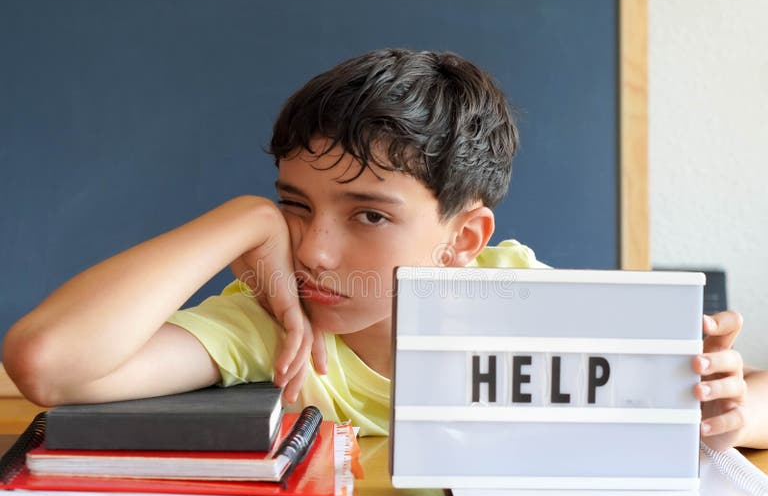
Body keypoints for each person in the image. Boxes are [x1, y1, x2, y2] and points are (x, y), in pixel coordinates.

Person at [3, 49, 767, 448]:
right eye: (292, 208)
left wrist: (723, 408)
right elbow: (46, 361)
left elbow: (743, 397)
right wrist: (239, 221)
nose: (315, 254)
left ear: (464, 240)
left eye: (368, 216)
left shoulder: (517, 297)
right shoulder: (274, 325)